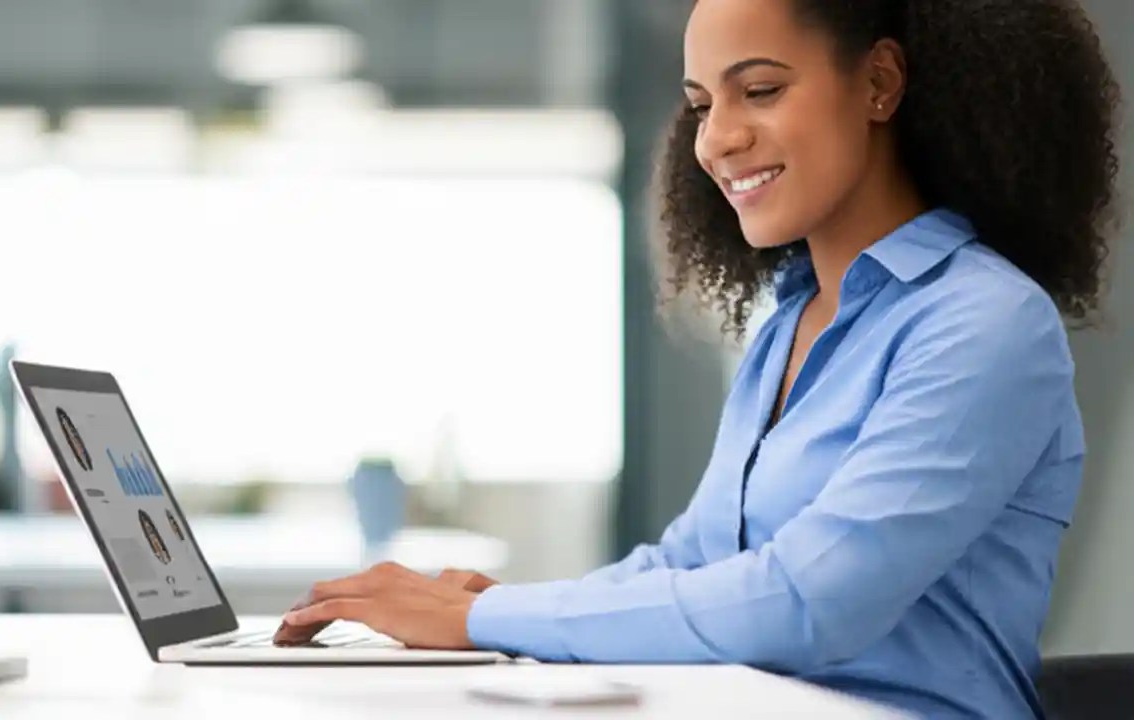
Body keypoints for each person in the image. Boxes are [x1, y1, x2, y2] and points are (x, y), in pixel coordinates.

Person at [273, 0, 1120, 716]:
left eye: (760, 90)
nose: (716, 140)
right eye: (701, 105)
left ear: (879, 83)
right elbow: (690, 564)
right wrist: (493, 604)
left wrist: (481, 621)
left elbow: (806, 602)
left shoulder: (983, 322)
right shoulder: (790, 323)